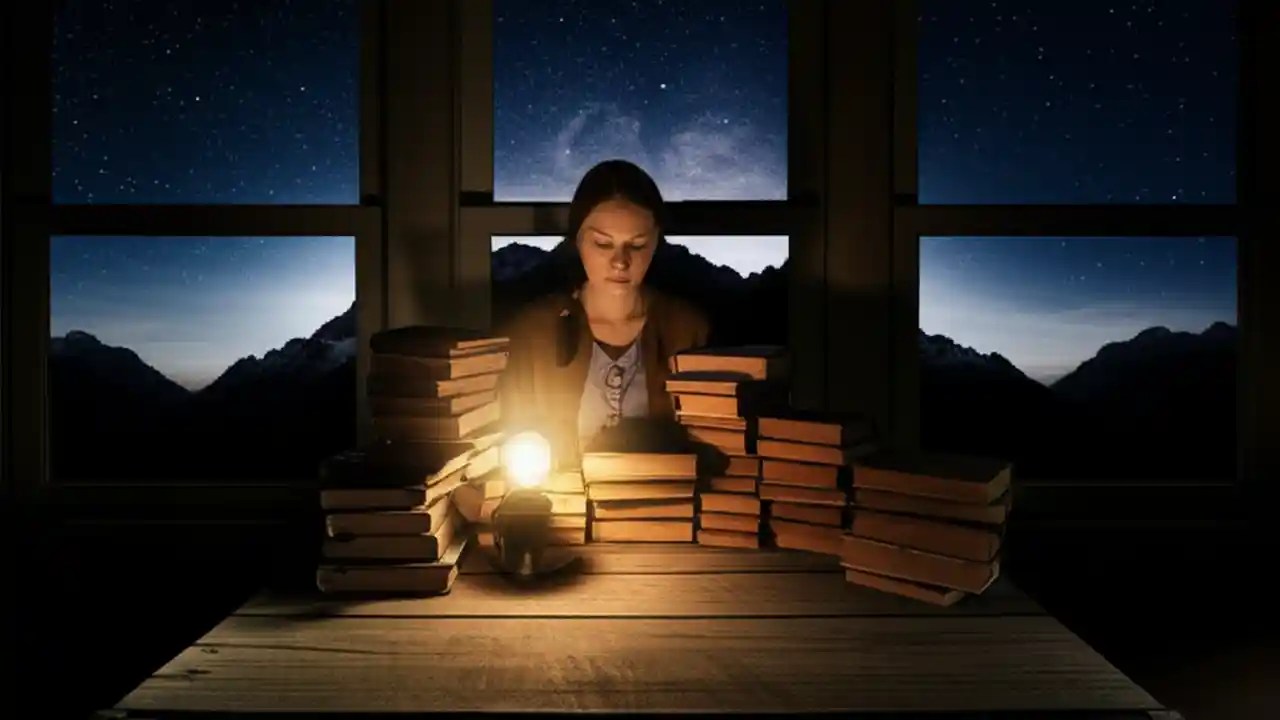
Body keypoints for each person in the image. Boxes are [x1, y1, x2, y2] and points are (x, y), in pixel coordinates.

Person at [497, 159, 710, 466]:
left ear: (656, 243)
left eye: (636, 245)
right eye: (603, 243)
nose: (620, 262)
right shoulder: (534, 332)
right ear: (577, 241)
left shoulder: (686, 330)